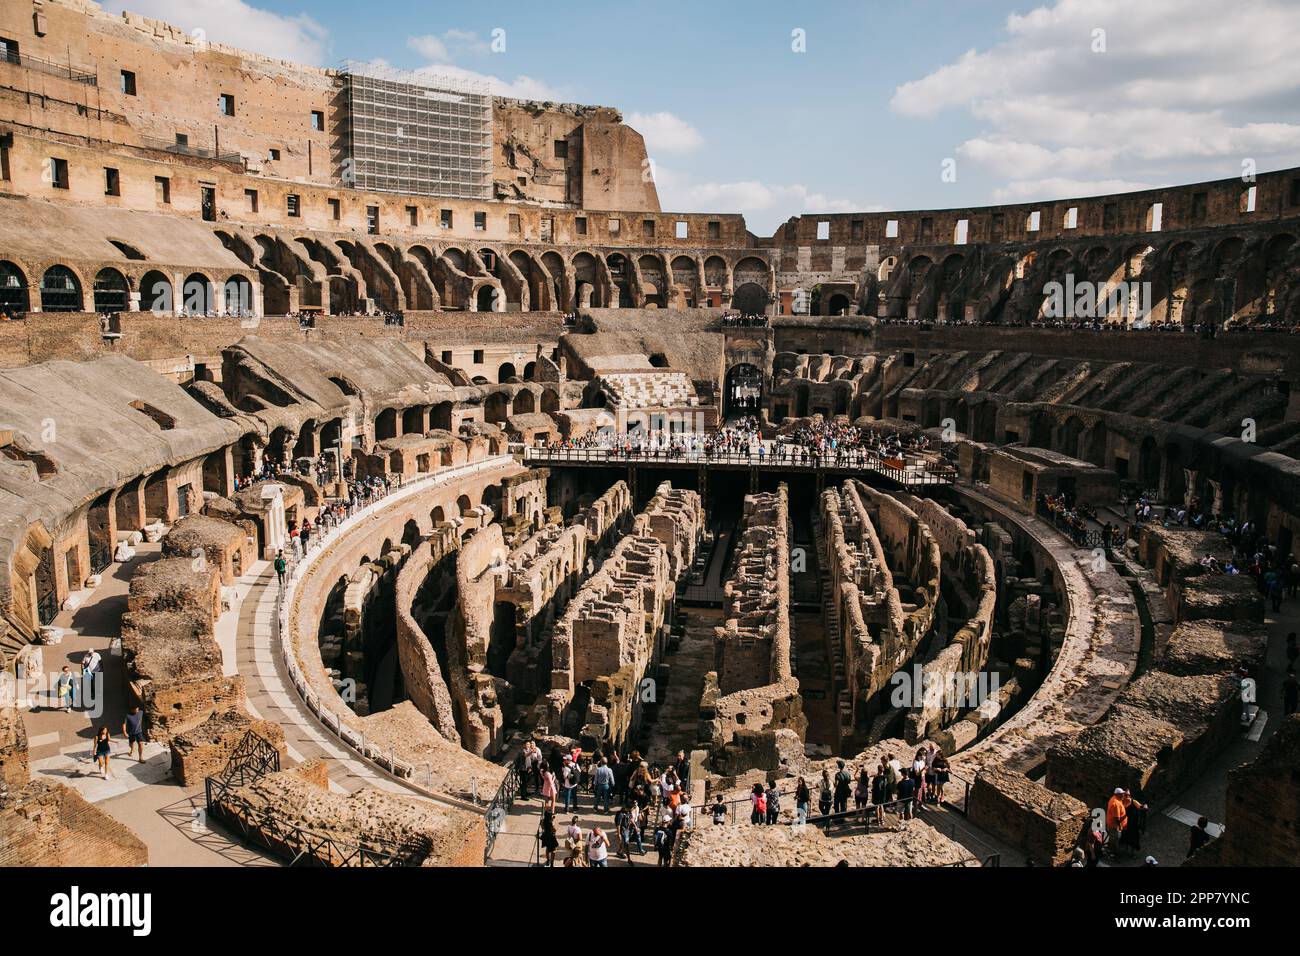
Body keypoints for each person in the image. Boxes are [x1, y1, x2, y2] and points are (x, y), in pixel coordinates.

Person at [1105, 788, 1128, 858]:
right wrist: (1120, 826)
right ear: (1118, 795)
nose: (1123, 795)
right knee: (1114, 840)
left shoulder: (1116, 798)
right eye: (1122, 794)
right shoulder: (1115, 804)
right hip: (1114, 826)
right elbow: (1116, 818)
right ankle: (1112, 854)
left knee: (1113, 839)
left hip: (1113, 825)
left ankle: (1111, 850)